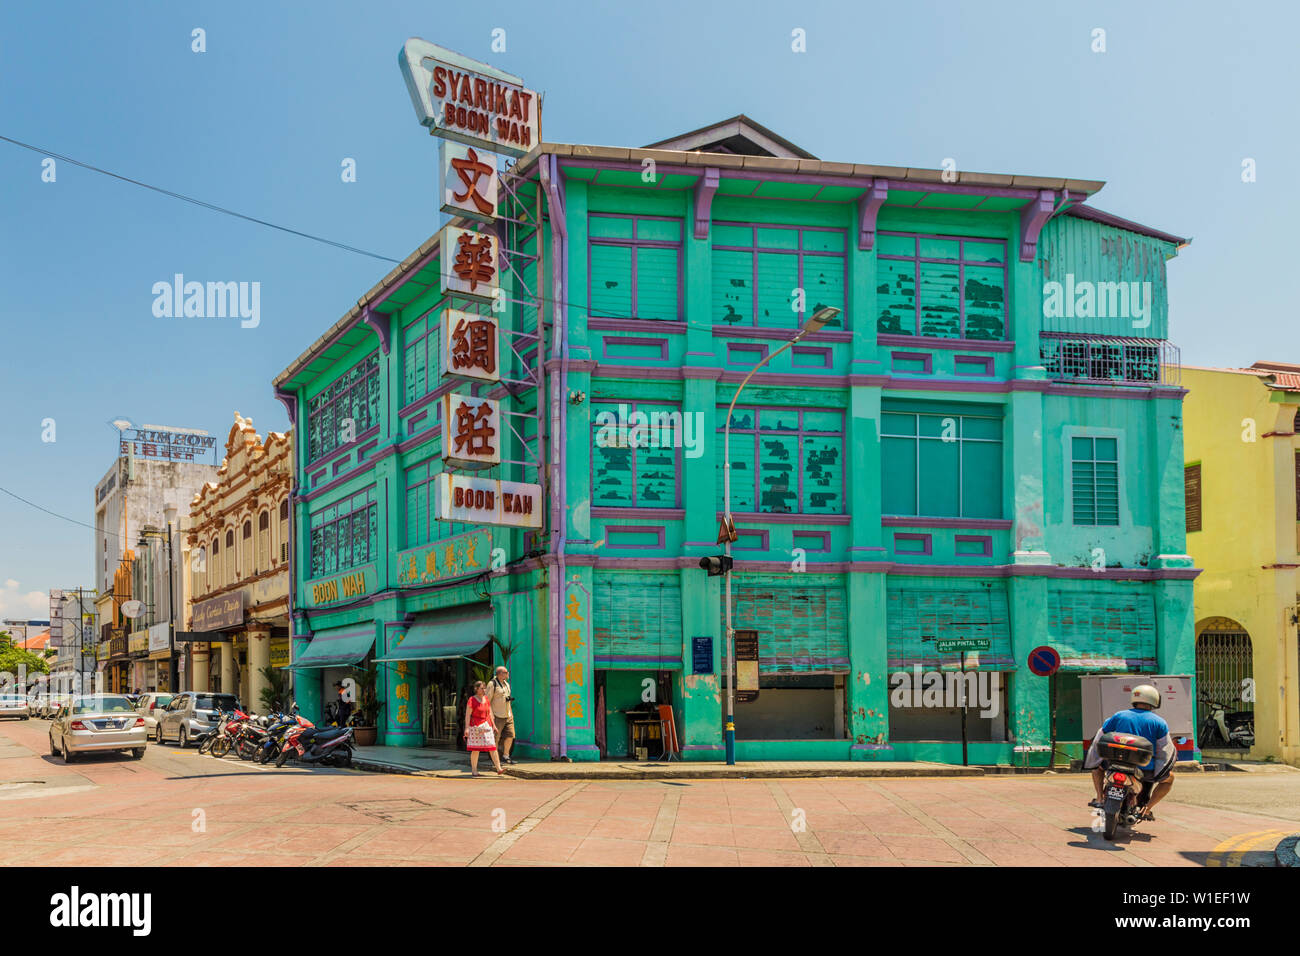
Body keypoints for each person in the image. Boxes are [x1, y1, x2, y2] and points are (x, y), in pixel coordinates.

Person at [1083, 683, 1176, 820]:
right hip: (1144, 769)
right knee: (1169, 779)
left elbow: (1100, 737)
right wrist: (1161, 770)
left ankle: (1099, 798)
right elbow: (1165, 750)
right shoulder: (1159, 723)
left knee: (1097, 769)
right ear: (1154, 700)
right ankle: (1147, 808)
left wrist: (1094, 759)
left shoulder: (1119, 716)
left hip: (1114, 763)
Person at [464, 680, 504, 777]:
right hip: (475, 727)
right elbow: (468, 715)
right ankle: (474, 771)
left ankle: (499, 768)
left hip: (486, 725)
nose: (484, 690)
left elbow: (490, 713)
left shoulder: (486, 699)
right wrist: (467, 728)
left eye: (484, 688)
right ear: (476, 689)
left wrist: (493, 725)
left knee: (492, 746)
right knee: (475, 749)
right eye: (482, 688)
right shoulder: (472, 700)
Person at [487, 666, 516, 764]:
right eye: (506, 672)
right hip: (497, 715)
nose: (508, 673)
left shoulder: (506, 684)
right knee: (496, 737)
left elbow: (508, 700)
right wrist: (491, 716)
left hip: (508, 715)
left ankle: (506, 755)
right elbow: (487, 701)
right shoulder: (492, 684)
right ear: (500, 674)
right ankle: (494, 759)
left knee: (511, 735)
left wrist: (511, 714)